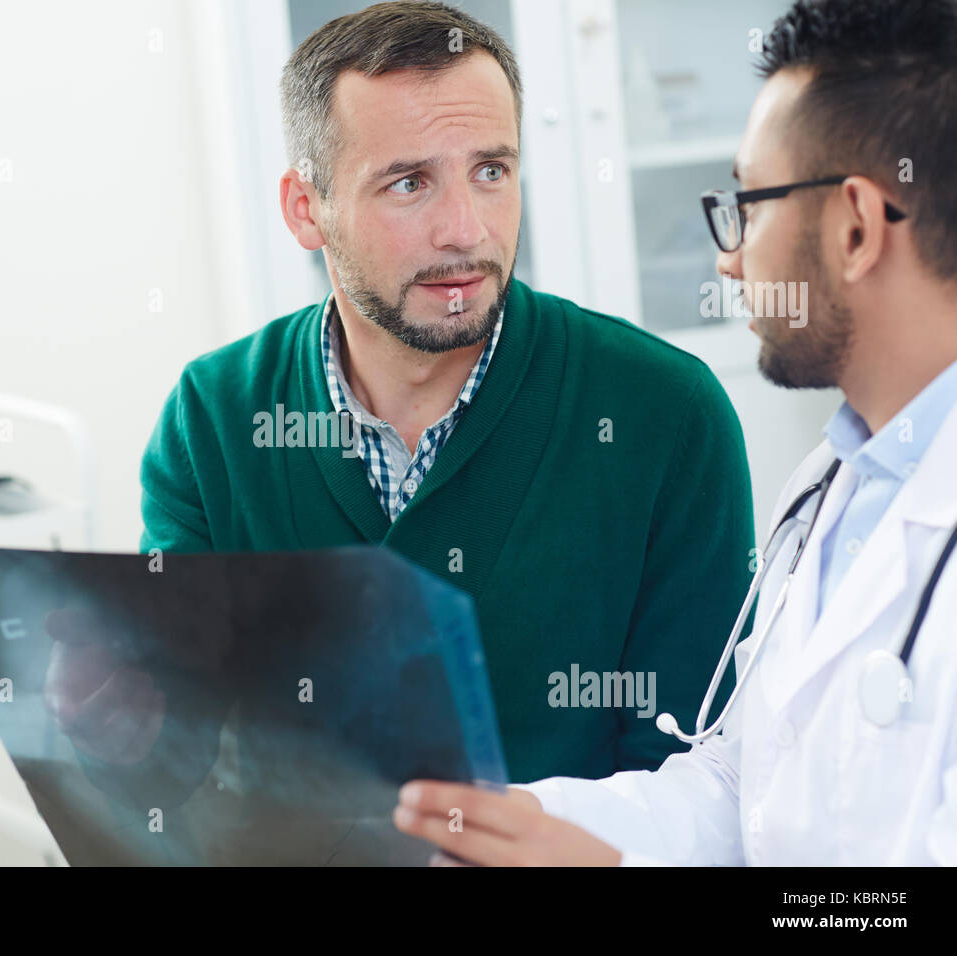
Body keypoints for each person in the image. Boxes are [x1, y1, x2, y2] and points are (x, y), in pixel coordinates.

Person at [47, 1, 756, 792]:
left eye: (492, 171)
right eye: (409, 182)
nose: (464, 229)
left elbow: (698, 786)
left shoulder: (664, 415)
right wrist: (107, 730)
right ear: (305, 209)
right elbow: (171, 771)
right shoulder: (215, 416)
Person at [393, 0, 957, 866]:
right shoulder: (833, 482)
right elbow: (746, 787)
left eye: (748, 205)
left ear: (853, 227)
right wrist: (553, 831)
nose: (728, 259)